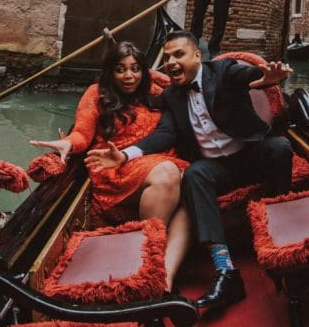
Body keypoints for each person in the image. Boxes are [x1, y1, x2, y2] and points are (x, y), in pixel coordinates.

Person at [88, 31, 292, 314]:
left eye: (178, 55)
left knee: (281, 148)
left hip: (251, 155)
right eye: (167, 56)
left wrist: (269, 78)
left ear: (197, 55)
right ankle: (226, 272)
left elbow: (246, 76)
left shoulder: (221, 70)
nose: (171, 62)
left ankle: (279, 237)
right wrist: (123, 155)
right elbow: (164, 134)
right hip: (216, 168)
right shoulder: (172, 95)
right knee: (195, 175)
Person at [30, 41, 192, 288]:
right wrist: (68, 144)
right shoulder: (96, 93)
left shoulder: (158, 94)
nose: (129, 76)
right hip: (113, 169)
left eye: (135, 69)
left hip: (154, 160)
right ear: (111, 72)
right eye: (121, 69)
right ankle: (146, 261)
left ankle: (163, 275)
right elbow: (83, 133)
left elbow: (170, 123)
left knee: (189, 186)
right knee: (168, 174)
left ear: (144, 71)